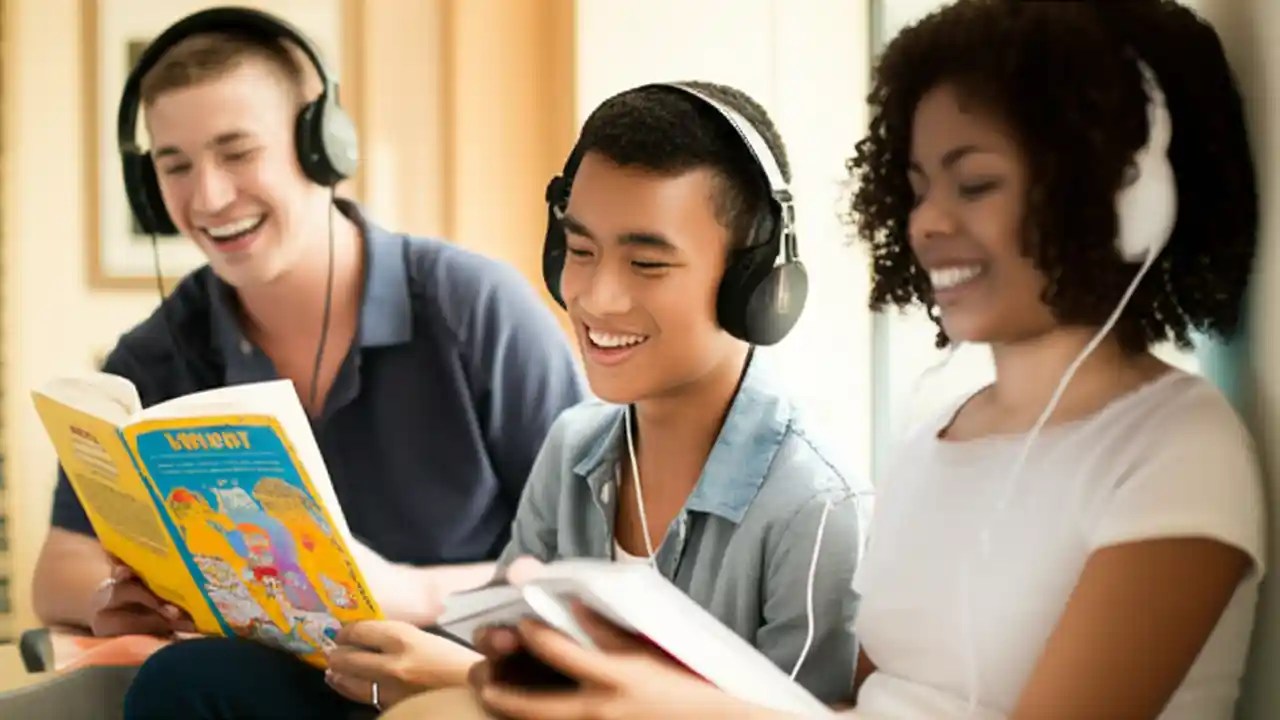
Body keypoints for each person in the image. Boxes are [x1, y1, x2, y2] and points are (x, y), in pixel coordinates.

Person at [465, 2, 1267, 719]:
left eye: (976, 184)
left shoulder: (1174, 448)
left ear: (1123, 200)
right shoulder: (935, 438)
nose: (926, 225)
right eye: (918, 187)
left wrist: (676, 710)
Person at [28, 7, 583, 719]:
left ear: (323, 147)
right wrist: (122, 597)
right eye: (175, 166)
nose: (209, 197)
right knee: (180, 682)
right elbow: (58, 571)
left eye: (238, 152)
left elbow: (589, 565)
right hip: (291, 687)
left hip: (459, 681)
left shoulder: (475, 309)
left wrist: (412, 592)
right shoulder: (156, 352)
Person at [314, 80, 870, 715]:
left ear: (757, 284)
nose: (596, 296)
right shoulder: (574, 446)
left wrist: (461, 676)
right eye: (580, 250)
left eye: (647, 264)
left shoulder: (818, 510)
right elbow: (511, 650)